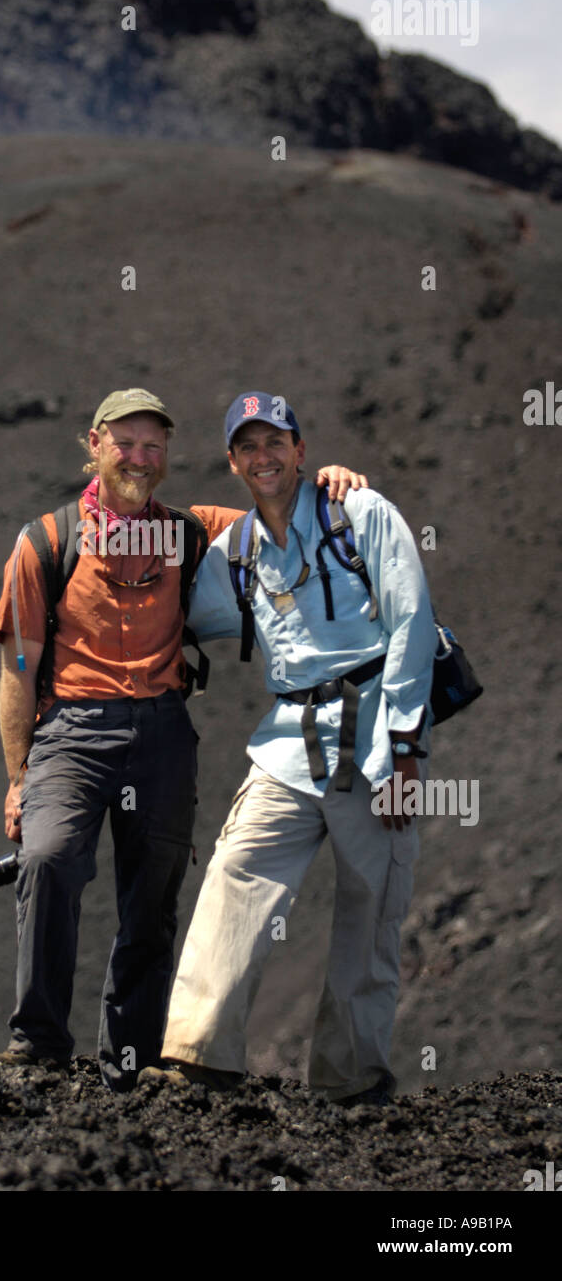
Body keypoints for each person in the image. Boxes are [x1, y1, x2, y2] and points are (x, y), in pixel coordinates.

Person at [0, 387, 367, 1092]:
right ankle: (37, 1043)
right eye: (125, 443)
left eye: (153, 446)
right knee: (46, 860)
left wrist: (332, 484)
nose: (139, 457)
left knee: (152, 901)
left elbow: (278, 510)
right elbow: (17, 668)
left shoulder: (194, 531)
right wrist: (17, 776)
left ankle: (127, 1066)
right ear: (93, 444)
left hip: (161, 733)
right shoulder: (44, 540)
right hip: (70, 733)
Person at [142, 391, 436, 1105]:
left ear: (300, 451)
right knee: (237, 872)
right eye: (247, 446)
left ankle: (349, 1081)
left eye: (275, 441)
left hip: (374, 741)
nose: (262, 456)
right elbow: (180, 618)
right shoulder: (233, 552)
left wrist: (404, 752)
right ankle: (197, 1057)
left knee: (369, 909)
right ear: (233, 463)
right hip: (287, 746)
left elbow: (412, 627)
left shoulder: (359, 515)